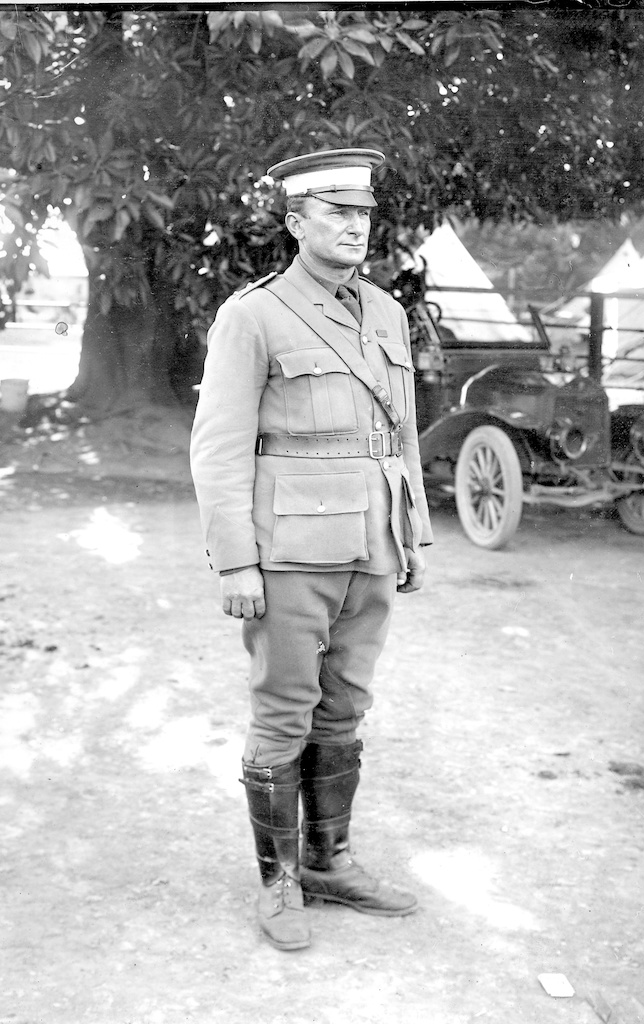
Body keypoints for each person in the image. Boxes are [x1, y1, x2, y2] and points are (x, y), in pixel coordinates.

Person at [190, 148, 433, 951]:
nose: (355, 227)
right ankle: (279, 883)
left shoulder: (387, 314)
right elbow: (218, 446)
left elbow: (398, 436)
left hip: (371, 542)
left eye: (363, 214)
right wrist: (234, 560)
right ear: (296, 223)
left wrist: (414, 533)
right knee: (283, 711)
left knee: (346, 706)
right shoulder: (252, 315)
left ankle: (330, 861)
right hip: (291, 547)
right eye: (337, 213)